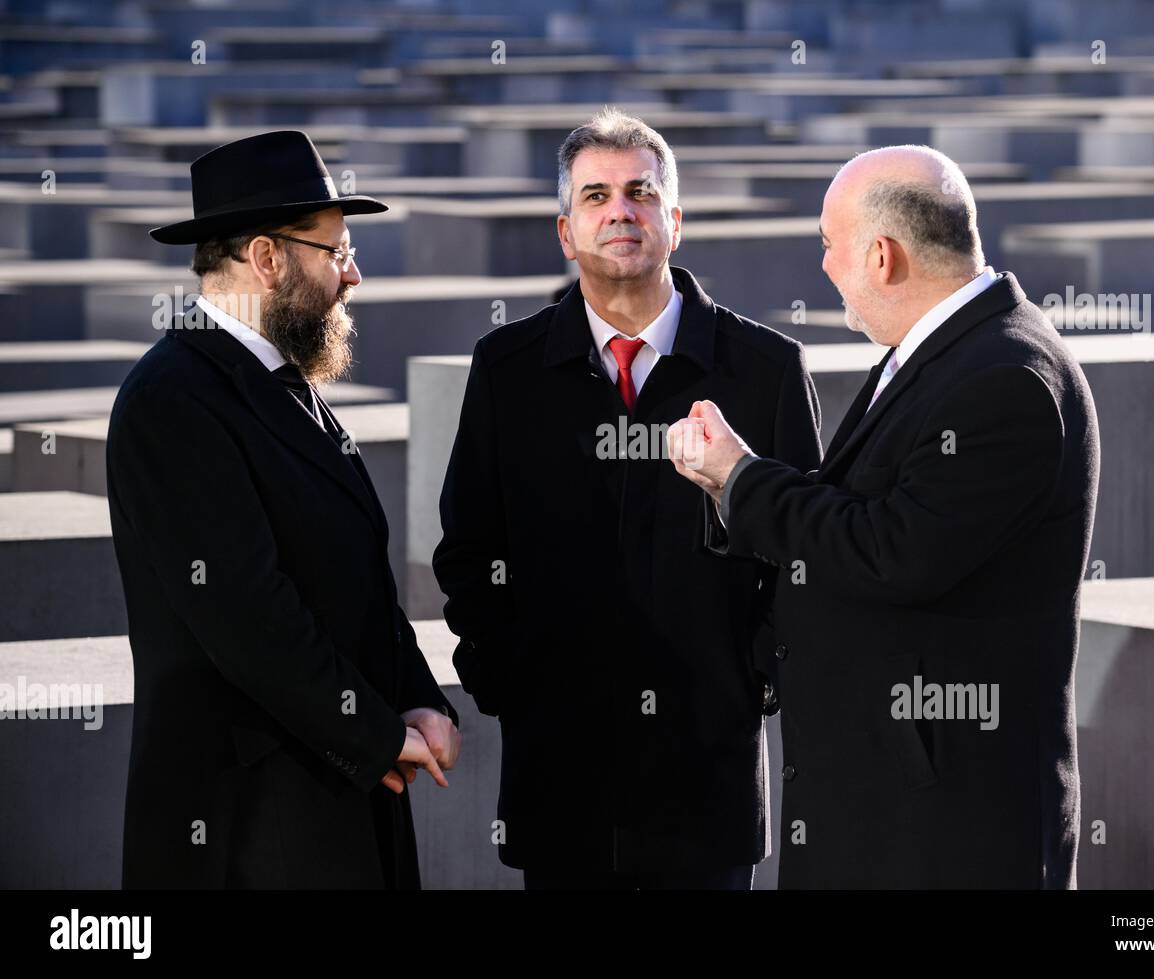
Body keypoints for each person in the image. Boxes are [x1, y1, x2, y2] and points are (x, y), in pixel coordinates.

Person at [668, 145, 1100, 888]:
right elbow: (862, 517)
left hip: (943, 830)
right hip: (889, 806)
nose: (826, 268)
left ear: (881, 255)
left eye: (830, 246)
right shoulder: (945, 352)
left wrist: (740, 476)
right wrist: (730, 492)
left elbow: (892, 549)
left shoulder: (1007, 376)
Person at [432, 107, 821, 889]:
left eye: (642, 193)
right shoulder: (505, 369)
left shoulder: (767, 369)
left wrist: (756, 677)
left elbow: (806, 549)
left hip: (705, 787)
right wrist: (504, 678)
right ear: (565, 230)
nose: (620, 210)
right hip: (558, 782)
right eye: (596, 195)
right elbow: (470, 546)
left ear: (674, 222)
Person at [107, 130, 460, 888]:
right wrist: (376, 734)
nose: (353, 274)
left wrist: (418, 699)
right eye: (335, 251)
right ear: (266, 258)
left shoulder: (283, 381)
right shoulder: (171, 400)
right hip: (248, 833)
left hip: (334, 804)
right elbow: (249, 614)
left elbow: (359, 580)